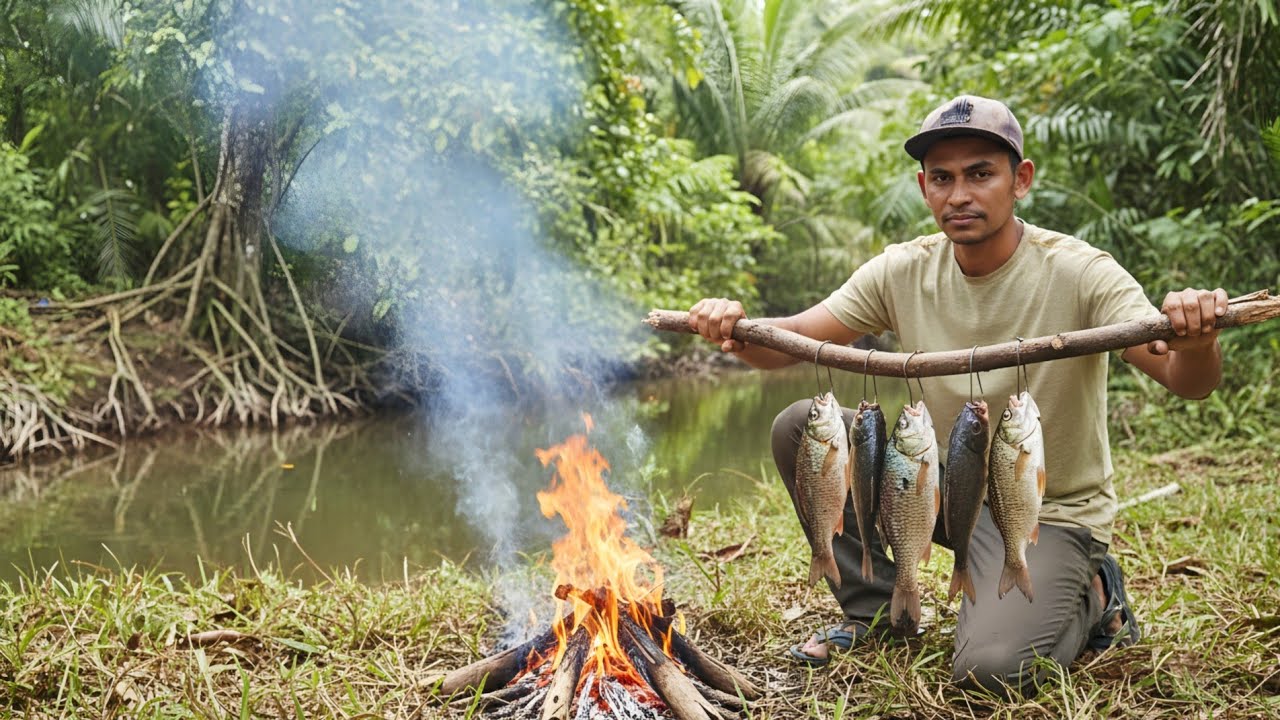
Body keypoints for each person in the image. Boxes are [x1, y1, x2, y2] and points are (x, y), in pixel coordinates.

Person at [687, 95, 1227, 695]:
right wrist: (734, 328)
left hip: (1048, 515)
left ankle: (1095, 594)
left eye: (980, 174)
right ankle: (876, 609)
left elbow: (1187, 380)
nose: (959, 194)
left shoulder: (1081, 272)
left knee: (989, 670)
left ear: (1020, 180)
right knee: (800, 426)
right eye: (942, 178)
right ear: (924, 187)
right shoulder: (902, 270)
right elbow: (788, 343)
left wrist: (1197, 339)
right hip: (948, 487)